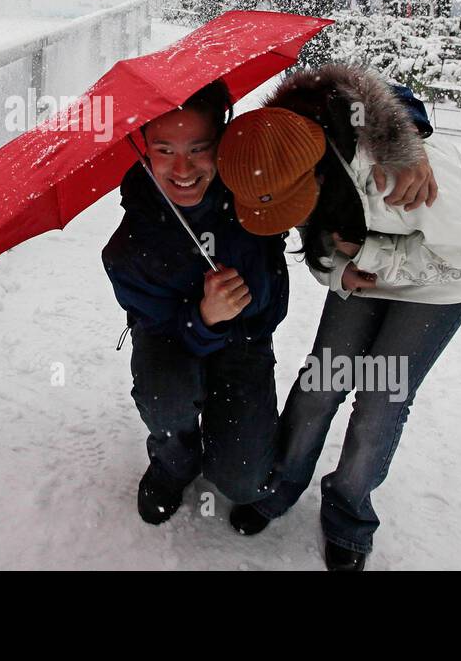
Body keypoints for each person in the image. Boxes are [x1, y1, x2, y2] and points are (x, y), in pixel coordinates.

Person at [101, 74, 437, 528]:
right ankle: (173, 458)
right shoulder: (129, 246)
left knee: (244, 483)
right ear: (143, 147)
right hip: (172, 345)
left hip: (245, 343)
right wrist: (203, 317)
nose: (183, 169)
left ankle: (229, 451)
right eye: (164, 150)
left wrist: (405, 141)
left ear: (225, 135)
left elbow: (352, 90)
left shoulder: (253, 169)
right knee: (168, 396)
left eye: (199, 148)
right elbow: (158, 329)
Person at [215, 64, 461, 571]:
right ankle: (283, 480)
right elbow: (321, 248)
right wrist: (340, 272)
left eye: (291, 207)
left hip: (442, 282)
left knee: (380, 398)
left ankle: (349, 512)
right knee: (321, 381)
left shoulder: (402, 171)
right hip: (363, 269)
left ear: (319, 170)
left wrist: (373, 255)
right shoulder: (279, 156)